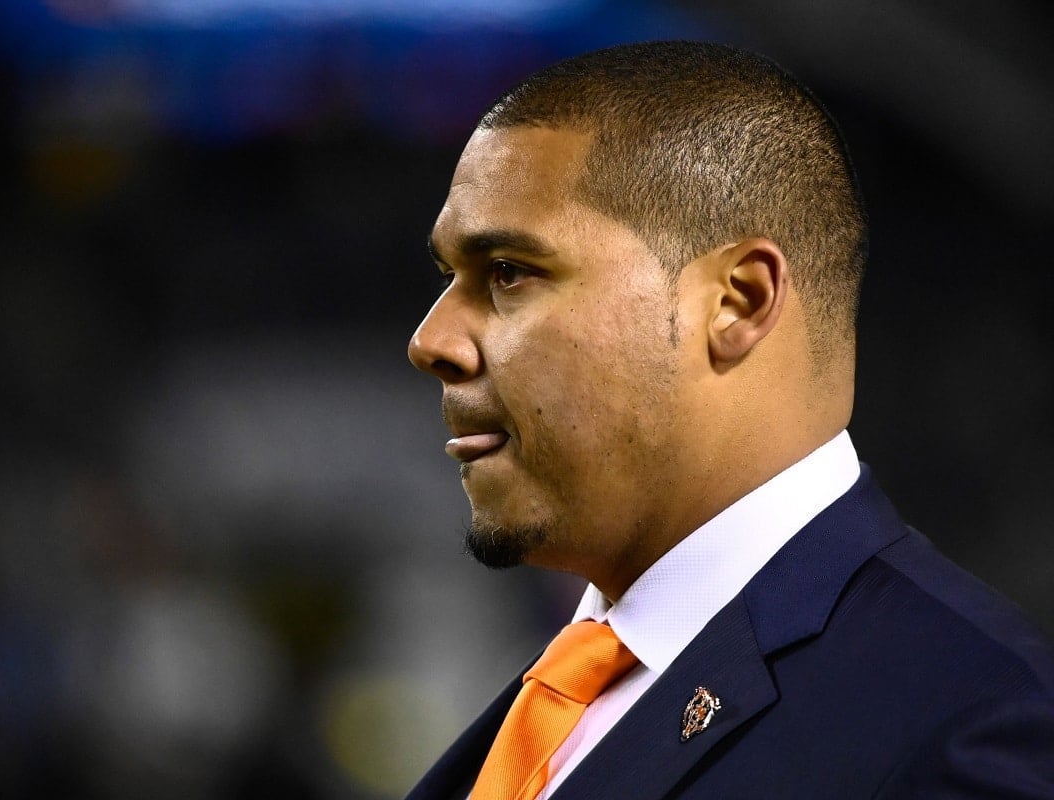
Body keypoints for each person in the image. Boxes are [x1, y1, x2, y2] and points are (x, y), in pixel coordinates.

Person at [404, 41, 1054, 799]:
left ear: (738, 302)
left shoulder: (973, 724)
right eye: (449, 277)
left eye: (508, 273)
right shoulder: (560, 701)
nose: (430, 341)